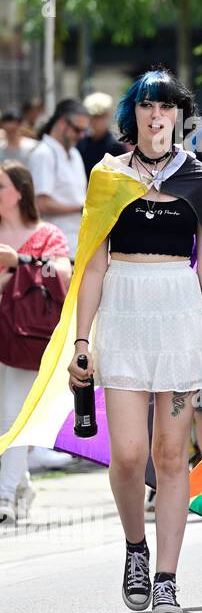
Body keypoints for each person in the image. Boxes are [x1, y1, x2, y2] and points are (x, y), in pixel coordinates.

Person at [0, 68, 202, 613]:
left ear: (179, 115)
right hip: (123, 316)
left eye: (168, 107)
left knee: (171, 455)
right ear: (134, 114)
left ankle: (168, 578)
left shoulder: (197, 178)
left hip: (179, 319)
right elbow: (93, 266)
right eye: (149, 106)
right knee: (127, 456)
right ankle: (135, 548)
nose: (158, 116)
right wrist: (81, 339)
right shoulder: (107, 176)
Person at [0, 163, 72, 524]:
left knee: (13, 414)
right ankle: (21, 484)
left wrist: (20, 261)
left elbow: (62, 272)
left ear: (20, 192)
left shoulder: (47, 234)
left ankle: (4, 496)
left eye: (1, 186)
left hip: (24, 337)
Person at [27, 99, 90, 254]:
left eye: (84, 131)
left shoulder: (75, 153)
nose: (81, 135)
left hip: (78, 245)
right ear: (62, 123)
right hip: (53, 248)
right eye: (77, 129)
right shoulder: (43, 153)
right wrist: (80, 208)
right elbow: (40, 204)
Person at [76, 92, 127, 180]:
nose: (95, 121)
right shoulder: (80, 143)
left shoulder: (116, 146)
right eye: (92, 116)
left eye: (99, 116)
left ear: (108, 116)